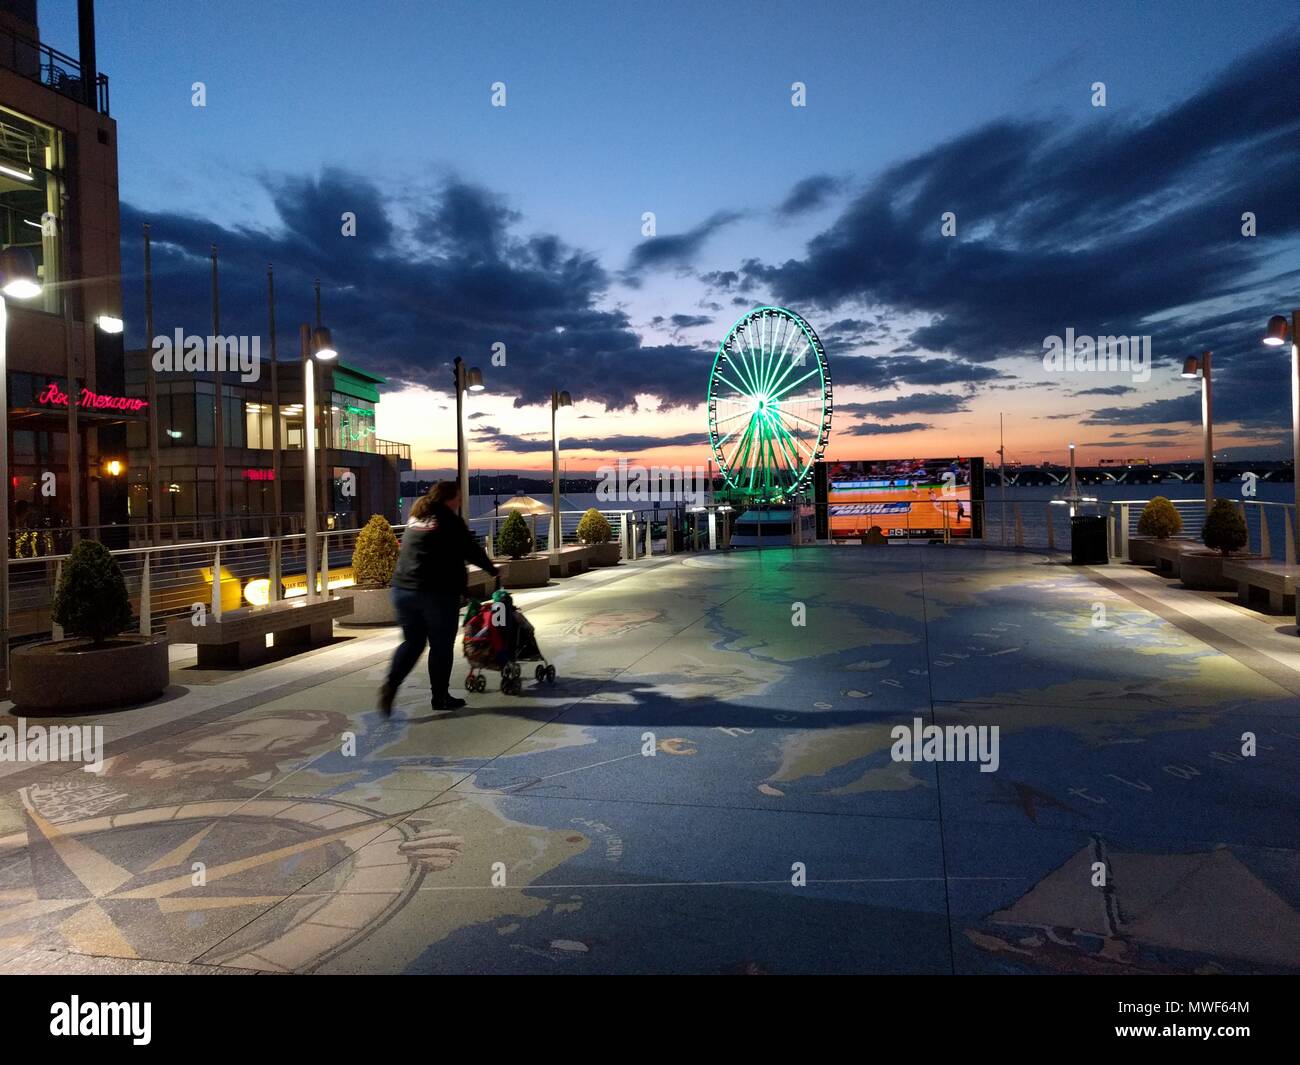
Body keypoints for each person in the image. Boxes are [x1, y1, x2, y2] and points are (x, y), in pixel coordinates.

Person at [379, 481, 498, 714]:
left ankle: (391, 684)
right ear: (450, 498)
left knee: (412, 642)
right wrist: (493, 570)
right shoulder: (450, 521)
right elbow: (470, 550)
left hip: (403, 590)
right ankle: (440, 697)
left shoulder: (417, 517)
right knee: (441, 646)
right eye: (459, 496)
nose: (461, 500)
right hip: (436, 593)